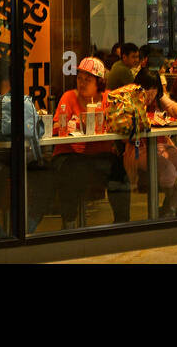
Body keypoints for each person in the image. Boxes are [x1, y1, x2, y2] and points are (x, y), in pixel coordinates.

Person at [51, 57, 130, 228]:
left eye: (88, 79)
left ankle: (123, 224)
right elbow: (56, 126)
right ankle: (70, 224)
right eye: (79, 78)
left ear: (99, 82)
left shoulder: (108, 98)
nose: (82, 83)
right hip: (69, 155)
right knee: (72, 170)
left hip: (99, 156)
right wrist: (78, 123)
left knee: (119, 172)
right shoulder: (69, 97)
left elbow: (119, 124)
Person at [136, 68, 177, 216]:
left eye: (154, 88)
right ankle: (171, 208)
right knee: (168, 170)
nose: (150, 92)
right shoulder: (129, 102)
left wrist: (167, 103)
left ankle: (170, 207)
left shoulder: (159, 100)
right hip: (140, 149)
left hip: (163, 145)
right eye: (146, 88)